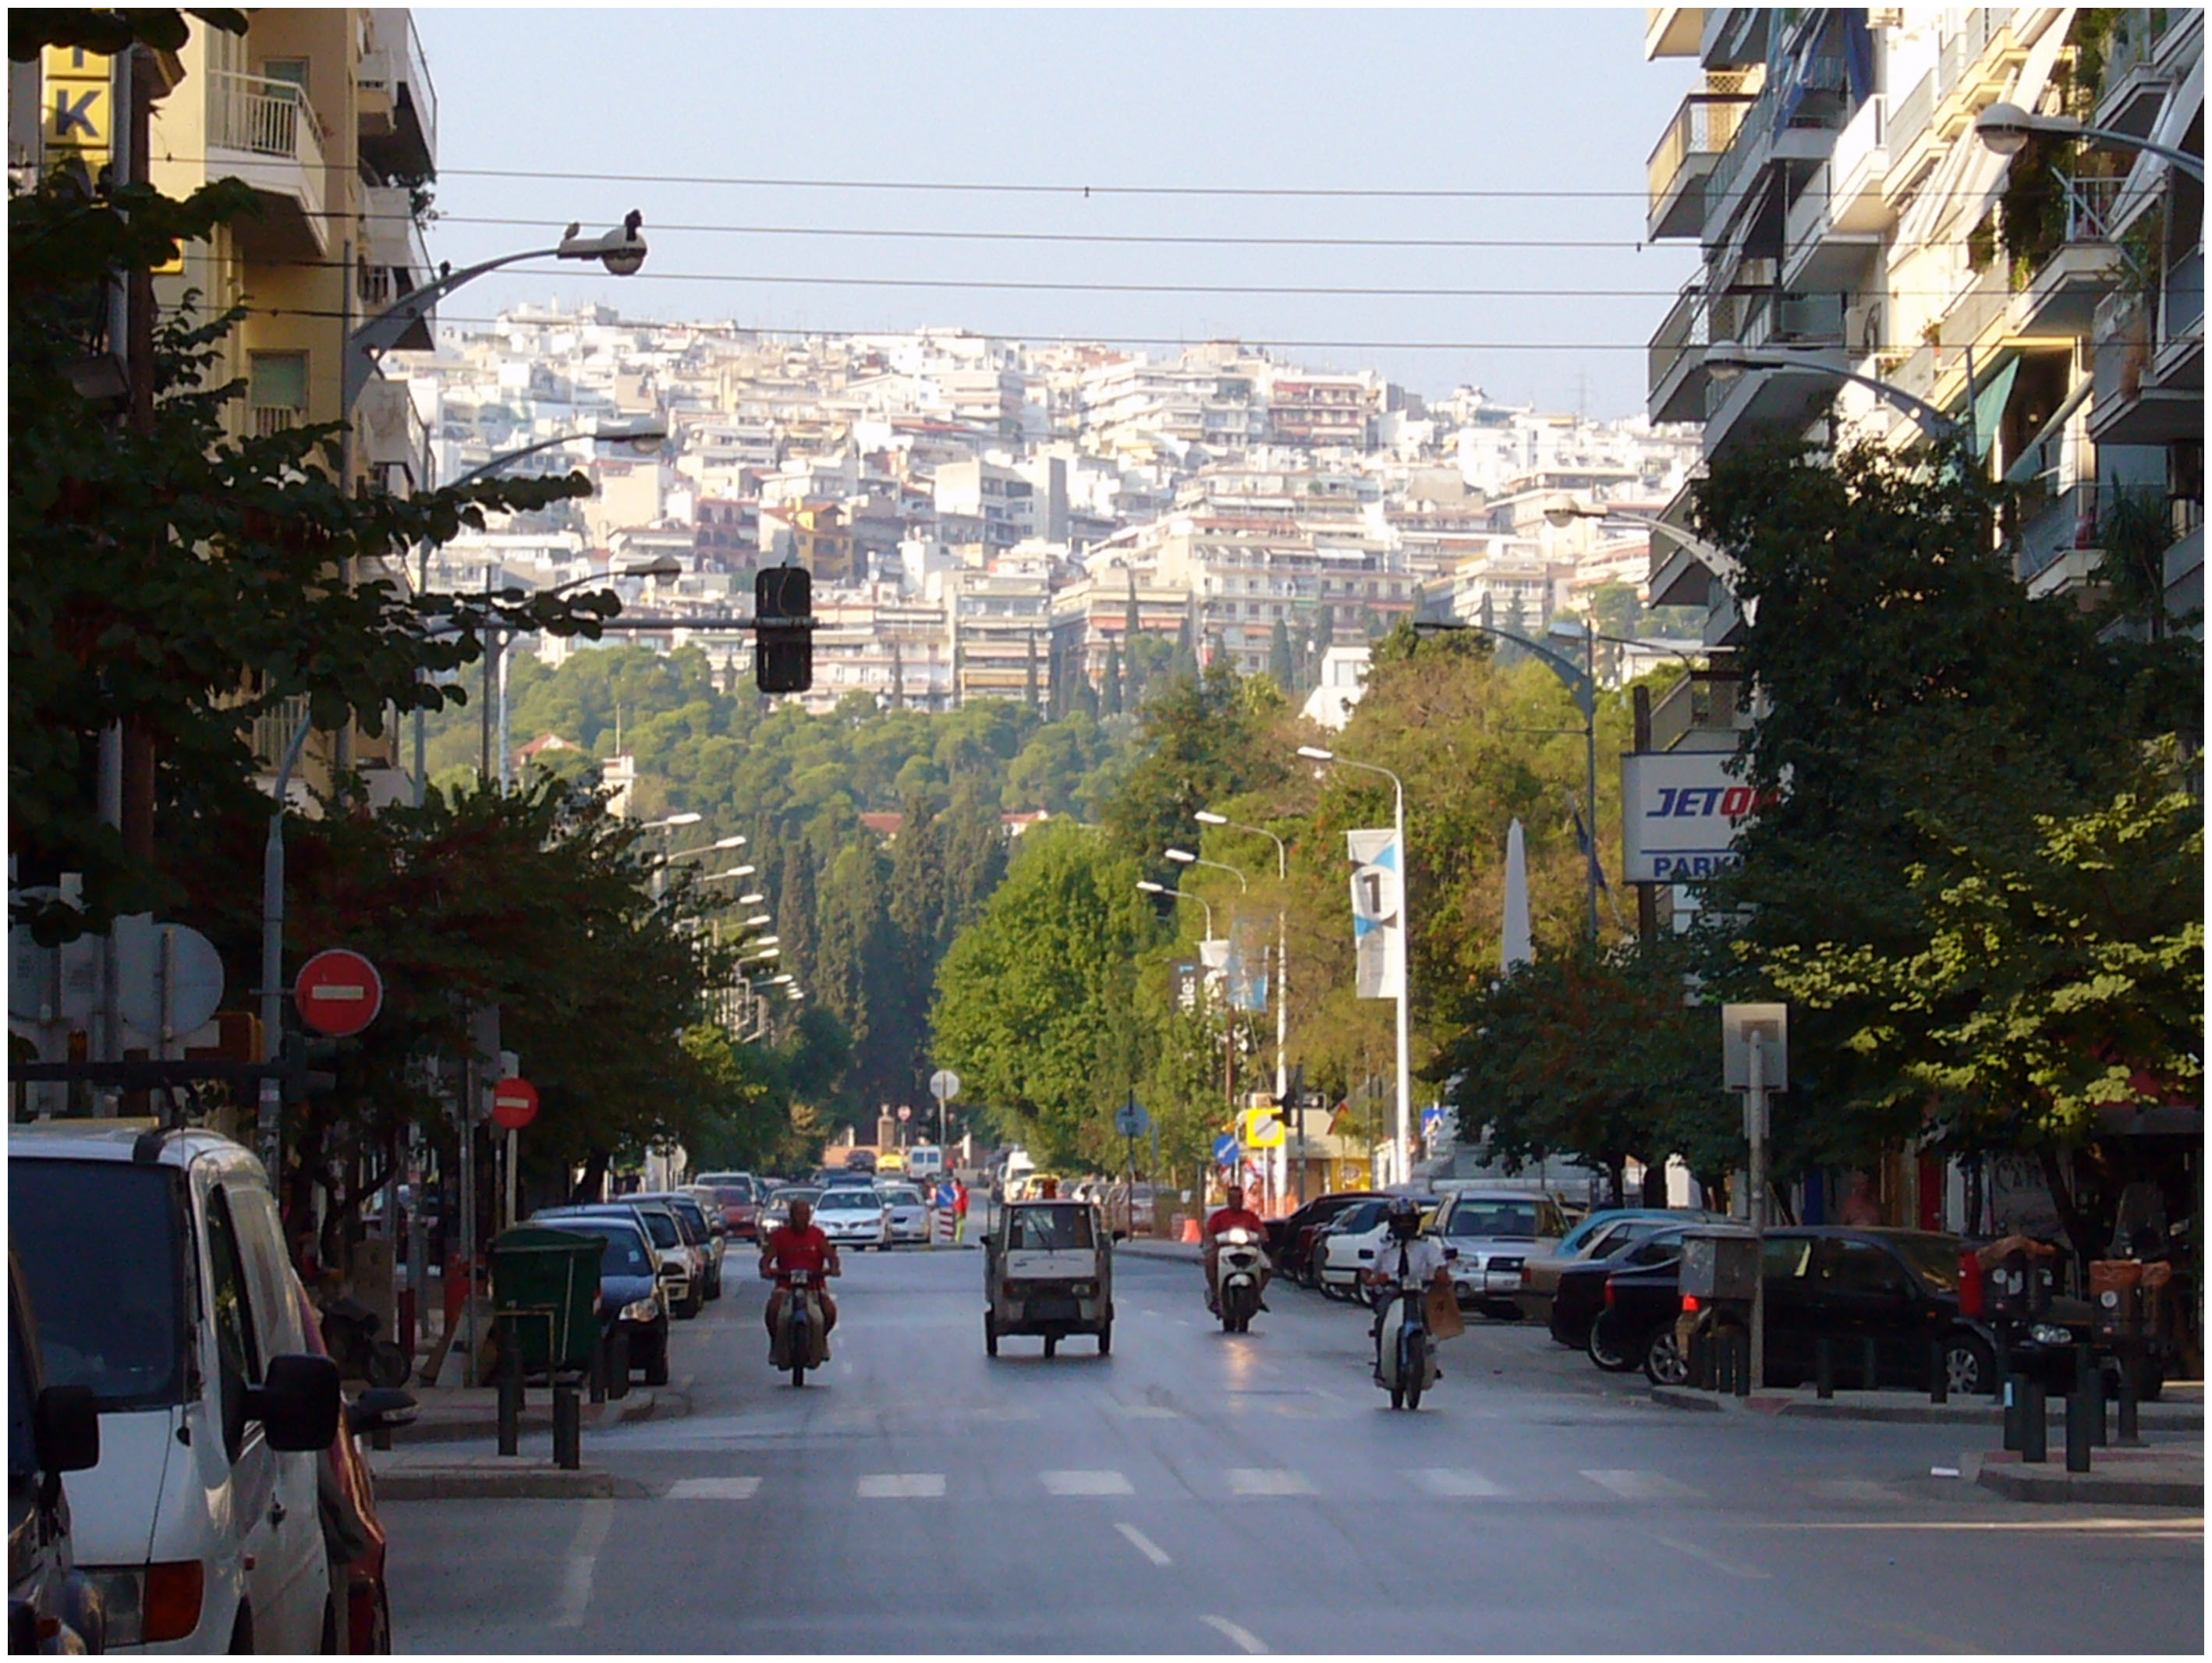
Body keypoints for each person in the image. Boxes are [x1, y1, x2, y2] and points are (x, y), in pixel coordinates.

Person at [1362, 1197, 1449, 1381]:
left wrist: (1441, 1276)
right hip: (1390, 1292)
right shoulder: (1382, 1244)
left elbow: (1439, 1266)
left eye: (1410, 1221)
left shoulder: (1426, 1245)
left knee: (1432, 1319)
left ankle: (1430, 1363)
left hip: (1418, 1291)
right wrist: (1374, 1279)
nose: (1406, 1225)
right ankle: (1381, 1363)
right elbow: (1367, 1269)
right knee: (1382, 1321)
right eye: (1401, 1221)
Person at [759, 1198, 841, 1359]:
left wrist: (833, 1268)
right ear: (791, 1216)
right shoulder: (780, 1236)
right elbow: (766, 1259)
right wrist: (766, 1270)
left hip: (814, 1286)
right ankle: (776, 1344)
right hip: (785, 1286)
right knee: (773, 1310)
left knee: (829, 1312)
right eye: (798, 1214)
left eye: (805, 1214)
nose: (801, 1218)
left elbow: (832, 1256)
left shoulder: (817, 1235)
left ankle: (820, 1341)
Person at [1202, 1183, 1271, 1314]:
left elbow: (1261, 1229)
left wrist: (1263, 1236)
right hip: (1223, 1250)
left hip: (1248, 1249)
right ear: (1228, 1200)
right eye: (1233, 1198)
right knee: (1210, 1262)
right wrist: (1211, 1239)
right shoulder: (1219, 1216)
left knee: (1267, 1267)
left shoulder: (1250, 1216)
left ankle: (1257, 1294)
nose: (1236, 1202)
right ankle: (1217, 1295)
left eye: (1239, 1198)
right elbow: (1209, 1232)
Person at [952, 1172, 970, 1244]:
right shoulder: (962, 1190)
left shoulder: (957, 1190)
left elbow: (955, 1199)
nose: (952, 1185)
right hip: (961, 1209)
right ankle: (959, 1237)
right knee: (960, 1224)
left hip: (958, 1208)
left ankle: (957, 1238)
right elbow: (966, 1200)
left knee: (958, 1223)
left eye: (953, 1183)